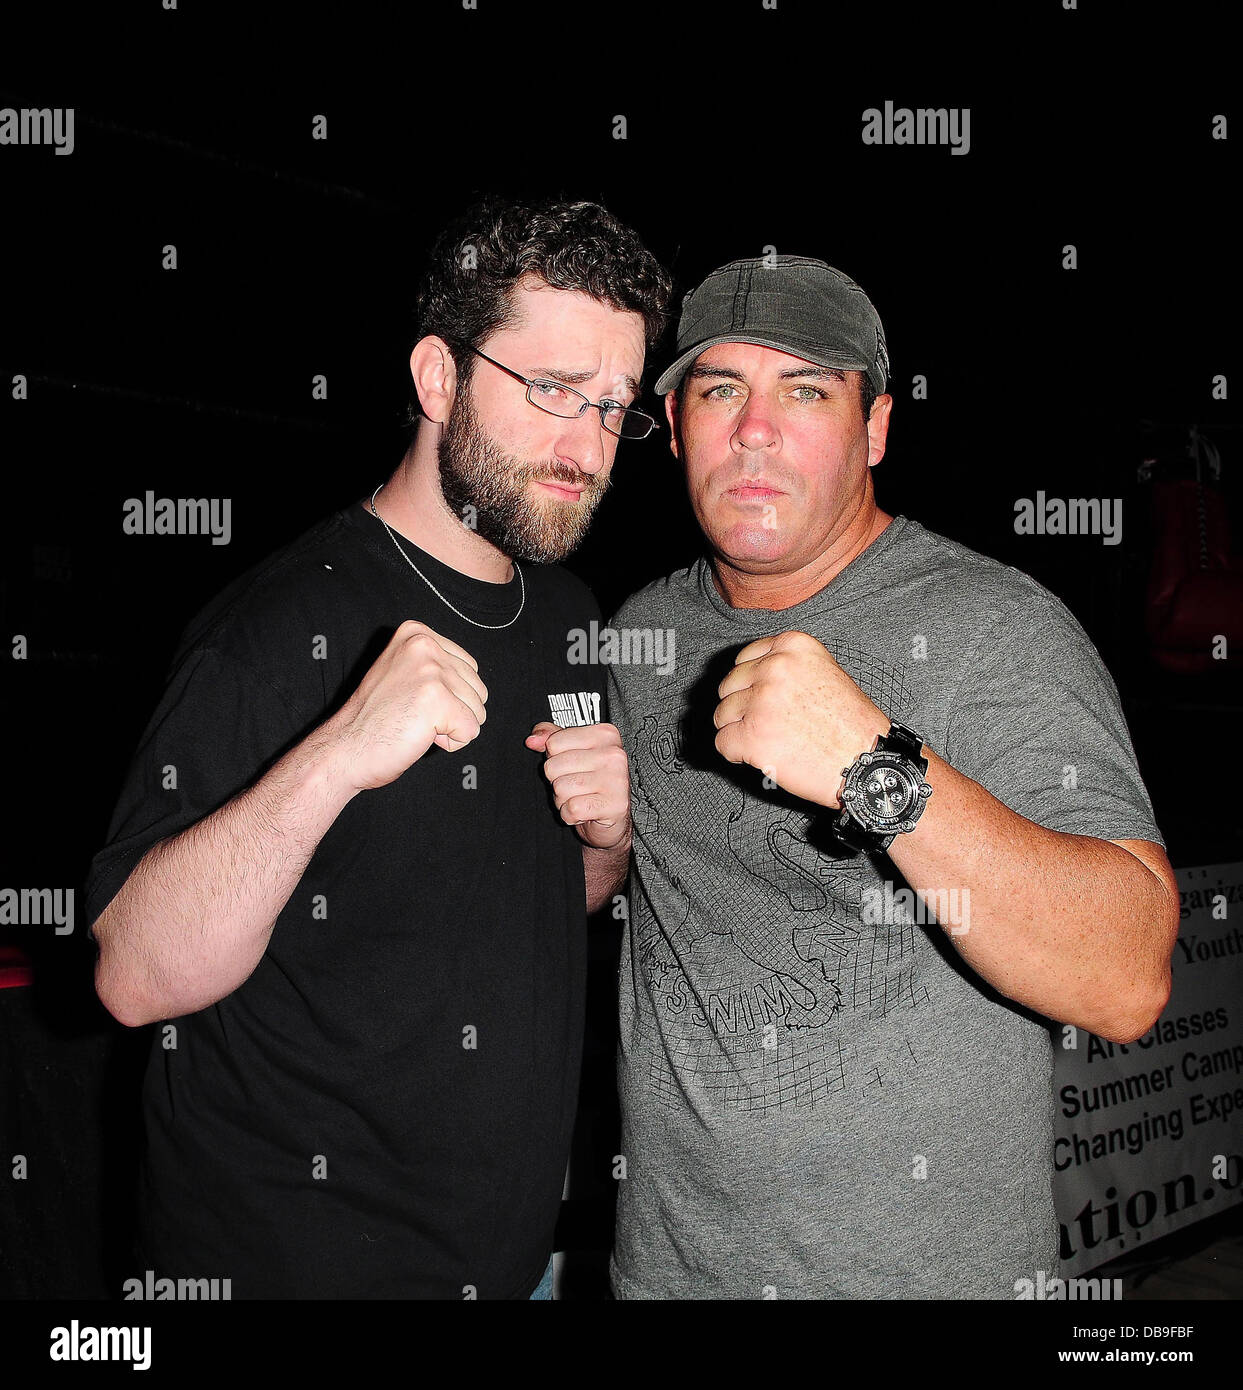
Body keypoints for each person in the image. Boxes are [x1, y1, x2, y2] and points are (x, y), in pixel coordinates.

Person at [84, 197, 668, 1299]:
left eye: (612, 407)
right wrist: (336, 753)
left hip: (509, 1265)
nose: (584, 444)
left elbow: (545, 899)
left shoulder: (574, 617)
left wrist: (610, 838)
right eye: (550, 390)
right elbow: (133, 975)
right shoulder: (275, 626)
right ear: (438, 380)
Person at [603, 254, 1179, 1299]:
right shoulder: (636, 639)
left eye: (805, 391)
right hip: (669, 1276)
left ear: (874, 429)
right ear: (677, 424)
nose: (755, 430)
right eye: (719, 389)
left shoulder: (992, 631)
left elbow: (1128, 976)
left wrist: (874, 767)